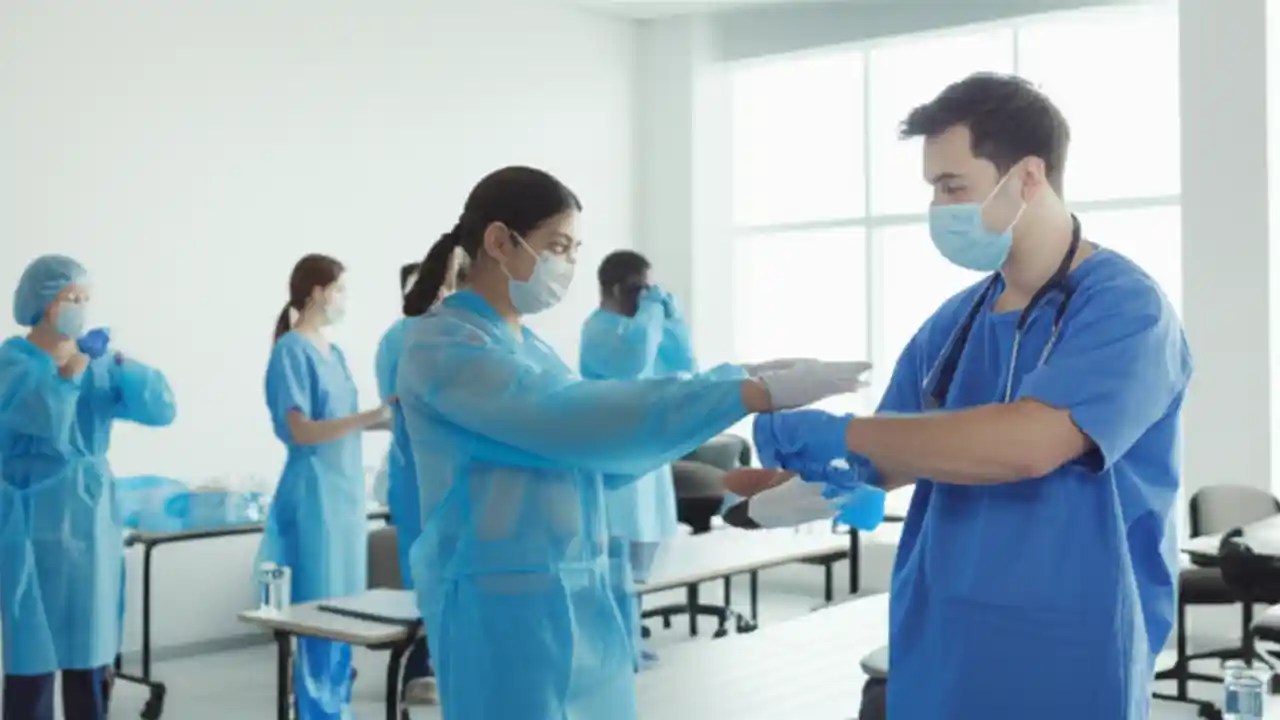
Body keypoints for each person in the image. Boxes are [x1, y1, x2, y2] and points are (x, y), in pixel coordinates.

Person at [745, 73, 1193, 719]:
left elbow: (1031, 445)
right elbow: (891, 451)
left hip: (1070, 642)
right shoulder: (954, 323)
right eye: (933, 189)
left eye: (952, 187)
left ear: (1028, 177)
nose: (938, 209)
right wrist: (801, 467)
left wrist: (843, 435)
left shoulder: (1125, 307)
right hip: (943, 630)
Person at [394, 165, 869, 720]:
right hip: (498, 605)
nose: (567, 265)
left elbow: (597, 460)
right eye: (558, 246)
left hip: (576, 589)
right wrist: (743, 390)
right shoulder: (442, 345)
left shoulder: (532, 348)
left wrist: (738, 485)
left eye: (573, 250)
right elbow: (573, 419)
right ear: (499, 241)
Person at [0, 255, 176, 720]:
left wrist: (122, 362)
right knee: (33, 655)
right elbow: (46, 421)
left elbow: (161, 409)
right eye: (70, 298)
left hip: (91, 521)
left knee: (92, 651)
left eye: (86, 299)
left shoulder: (97, 363)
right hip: (35, 524)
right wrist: (75, 365)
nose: (81, 307)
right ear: (41, 302)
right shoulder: (13, 363)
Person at [258, 254, 391, 720]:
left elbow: (343, 426)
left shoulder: (333, 354)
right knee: (319, 611)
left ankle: (338, 707)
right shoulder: (292, 351)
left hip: (345, 497)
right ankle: (317, 710)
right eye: (340, 289)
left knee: (347, 610)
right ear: (316, 291)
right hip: (314, 495)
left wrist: (389, 421)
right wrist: (371, 416)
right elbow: (304, 430)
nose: (343, 300)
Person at [579, 250, 696, 667]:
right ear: (612, 289)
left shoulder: (643, 329)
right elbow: (632, 364)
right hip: (614, 465)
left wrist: (672, 319)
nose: (642, 300)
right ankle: (611, 646)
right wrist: (649, 315)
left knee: (637, 569)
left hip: (647, 464)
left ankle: (628, 637)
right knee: (612, 565)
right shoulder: (599, 332)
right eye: (636, 291)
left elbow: (683, 365)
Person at [372, 253, 466, 706]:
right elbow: (400, 399)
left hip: (453, 477)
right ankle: (417, 667)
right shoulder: (398, 339)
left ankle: (447, 665)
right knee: (423, 575)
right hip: (415, 475)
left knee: (453, 576)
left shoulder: (456, 335)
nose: (437, 295)